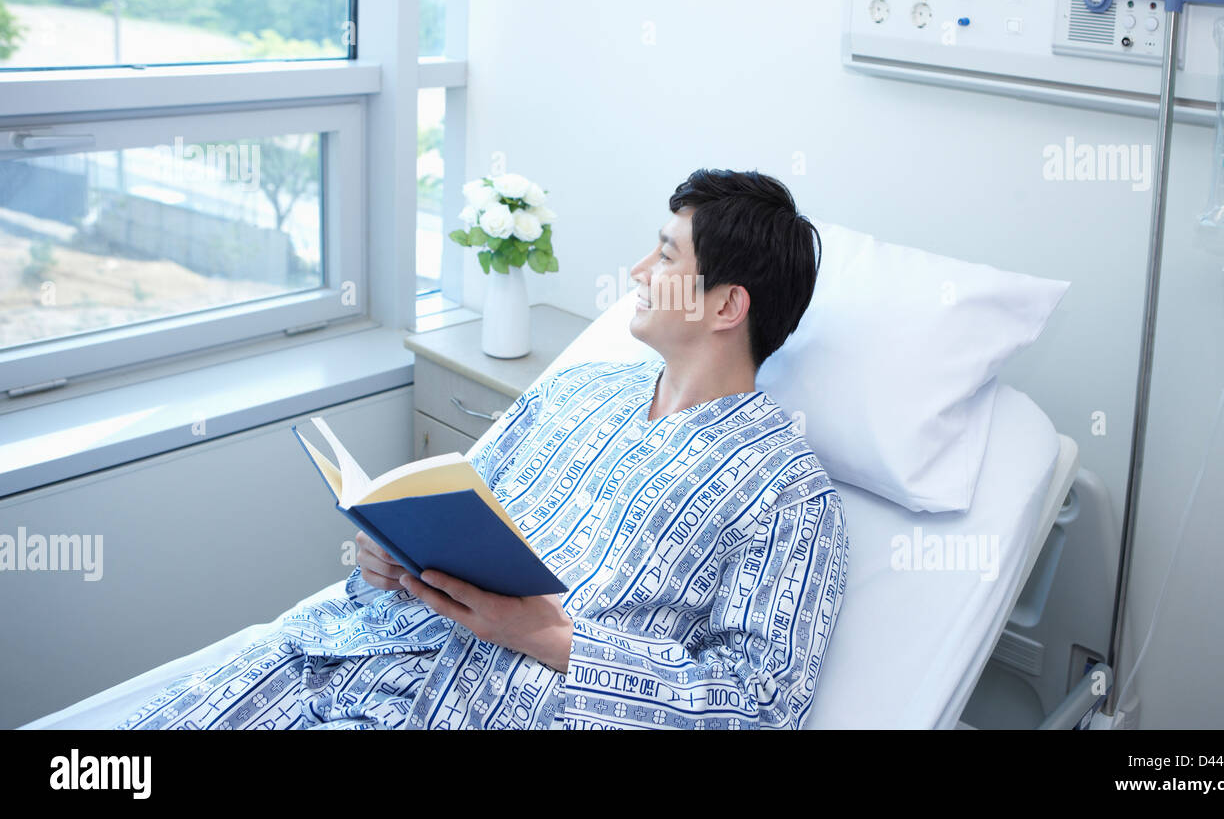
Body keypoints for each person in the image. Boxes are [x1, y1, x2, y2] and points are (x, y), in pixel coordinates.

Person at [116, 168, 848, 730]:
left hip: (495, 705)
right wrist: (390, 558)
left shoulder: (785, 494)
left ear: (727, 305)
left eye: (664, 256)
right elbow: (458, 502)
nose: (636, 274)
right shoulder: (577, 389)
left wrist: (553, 639)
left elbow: (759, 703)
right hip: (348, 653)